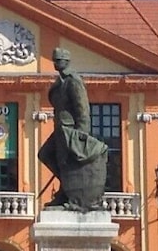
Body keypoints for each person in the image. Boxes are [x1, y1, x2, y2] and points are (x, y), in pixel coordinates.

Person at [38, 48, 108, 211]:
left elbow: (82, 109)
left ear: (66, 61)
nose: (56, 63)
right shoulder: (60, 83)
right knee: (45, 154)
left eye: (59, 60)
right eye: (55, 60)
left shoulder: (73, 81)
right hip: (61, 129)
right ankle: (65, 189)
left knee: (66, 162)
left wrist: (81, 136)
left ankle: (69, 194)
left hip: (71, 131)